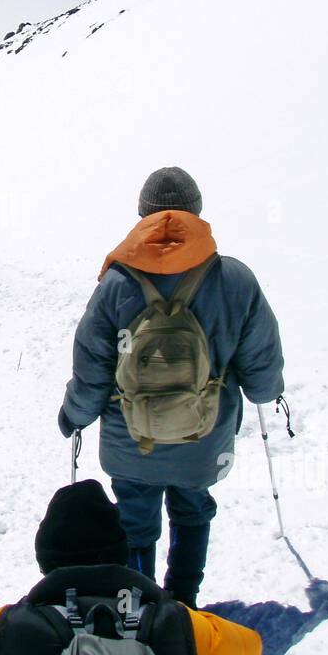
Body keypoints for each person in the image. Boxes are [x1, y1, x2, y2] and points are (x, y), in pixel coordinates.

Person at [58, 167, 284, 609]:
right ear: (197, 212)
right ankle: (182, 600)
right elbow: (260, 360)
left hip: (131, 443)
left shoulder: (116, 285)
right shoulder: (235, 280)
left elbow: (92, 368)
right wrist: (264, 390)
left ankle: (141, 610)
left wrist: (75, 414)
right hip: (203, 439)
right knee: (193, 509)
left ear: (142, 216)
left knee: (134, 522)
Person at [0, 480, 261, 655]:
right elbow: (249, 647)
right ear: (122, 554)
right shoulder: (181, 628)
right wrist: (166, 603)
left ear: (45, 562)